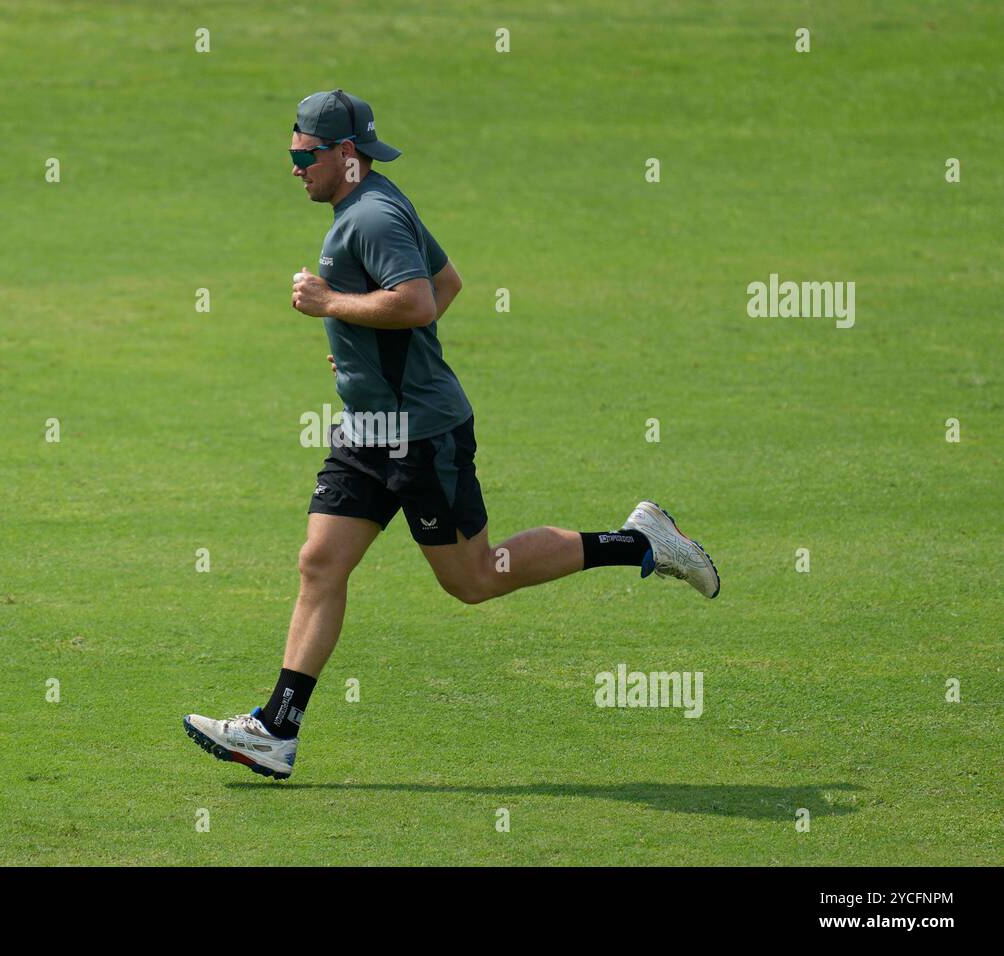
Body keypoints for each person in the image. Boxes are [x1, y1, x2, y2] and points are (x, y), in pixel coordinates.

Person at [183, 90, 719, 780]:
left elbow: (419, 300)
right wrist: (361, 349)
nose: (294, 169)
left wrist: (330, 304)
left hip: (421, 435)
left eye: (303, 156)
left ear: (345, 155)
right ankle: (275, 730)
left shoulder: (371, 215)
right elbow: (448, 280)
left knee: (474, 578)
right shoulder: (371, 202)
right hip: (368, 427)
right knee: (320, 560)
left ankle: (641, 541)